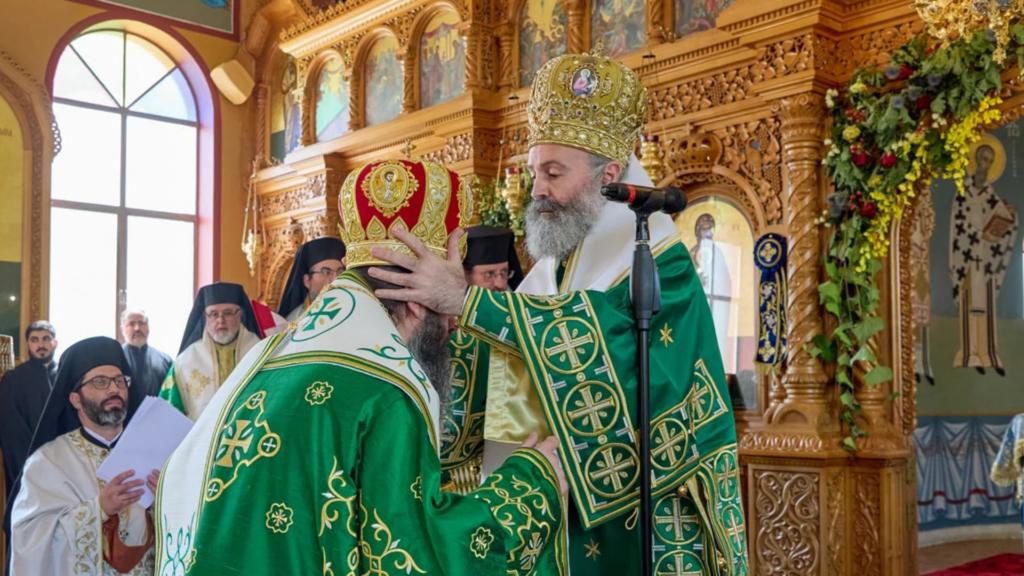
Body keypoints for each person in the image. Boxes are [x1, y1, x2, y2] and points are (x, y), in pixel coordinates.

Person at [369, 50, 748, 575]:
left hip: (648, 511)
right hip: (563, 501)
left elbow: (612, 345)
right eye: (533, 172)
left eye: (553, 172)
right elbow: (517, 349)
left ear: (609, 176)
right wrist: (431, 331)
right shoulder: (557, 268)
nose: (538, 189)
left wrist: (470, 301)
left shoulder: (663, 266)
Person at [156, 158, 567, 575]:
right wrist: (530, 484)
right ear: (414, 298)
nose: (452, 323)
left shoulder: (270, 357)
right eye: (445, 305)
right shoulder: (386, 391)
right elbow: (416, 552)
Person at [8, 337, 158, 576]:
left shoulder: (158, 454)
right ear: (75, 399)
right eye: (100, 382)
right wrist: (98, 508)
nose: (113, 389)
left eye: (120, 381)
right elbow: (30, 540)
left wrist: (163, 502)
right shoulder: (47, 461)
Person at [441, 226, 524, 493]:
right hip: (444, 470)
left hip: (499, 460)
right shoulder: (440, 324)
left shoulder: (518, 321)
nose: (499, 284)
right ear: (463, 276)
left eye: (504, 273)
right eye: (489, 274)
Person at [949, 142, 1019, 375]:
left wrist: (1010, 216)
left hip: (986, 258)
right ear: (975, 162)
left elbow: (1003, 219)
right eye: (982, 160)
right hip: (968, 257)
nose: (985, 165)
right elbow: (957, 226)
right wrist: (976, 234)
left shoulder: (990, 195)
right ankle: (969, 354)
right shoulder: (963, 192)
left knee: (986, 305)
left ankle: (989, 354)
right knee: (969, 303)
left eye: (989, 161)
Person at [159, 283, 262, 420]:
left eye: (228, 313)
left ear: (240, 314)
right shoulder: (185, 362)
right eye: (213, 314)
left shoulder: (261, 352)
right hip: (203, 439)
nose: (221, 320)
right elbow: (168, 411)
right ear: (205, 317)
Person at [0, 321, 58, 502]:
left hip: (64, 466)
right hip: (27, 466)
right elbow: (12, 430)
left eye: (46, 339)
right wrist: (35, 464)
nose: (40, 345)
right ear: (27, 344)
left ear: (55, 343)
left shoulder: (66, 376)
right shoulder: (13, 380)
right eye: (34, 340)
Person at [276, 236, 347, 323]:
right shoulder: (293, 323)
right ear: (307, 281)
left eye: (340, 272)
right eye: (326, 272)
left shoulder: (354, 312)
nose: (336, 279)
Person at [120, 309, 173, 398]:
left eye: (141, 323)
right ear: (122, 329)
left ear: (148, 326)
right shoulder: (114, 360)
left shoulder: (165, 361)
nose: (137, 328)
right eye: (132, 324)